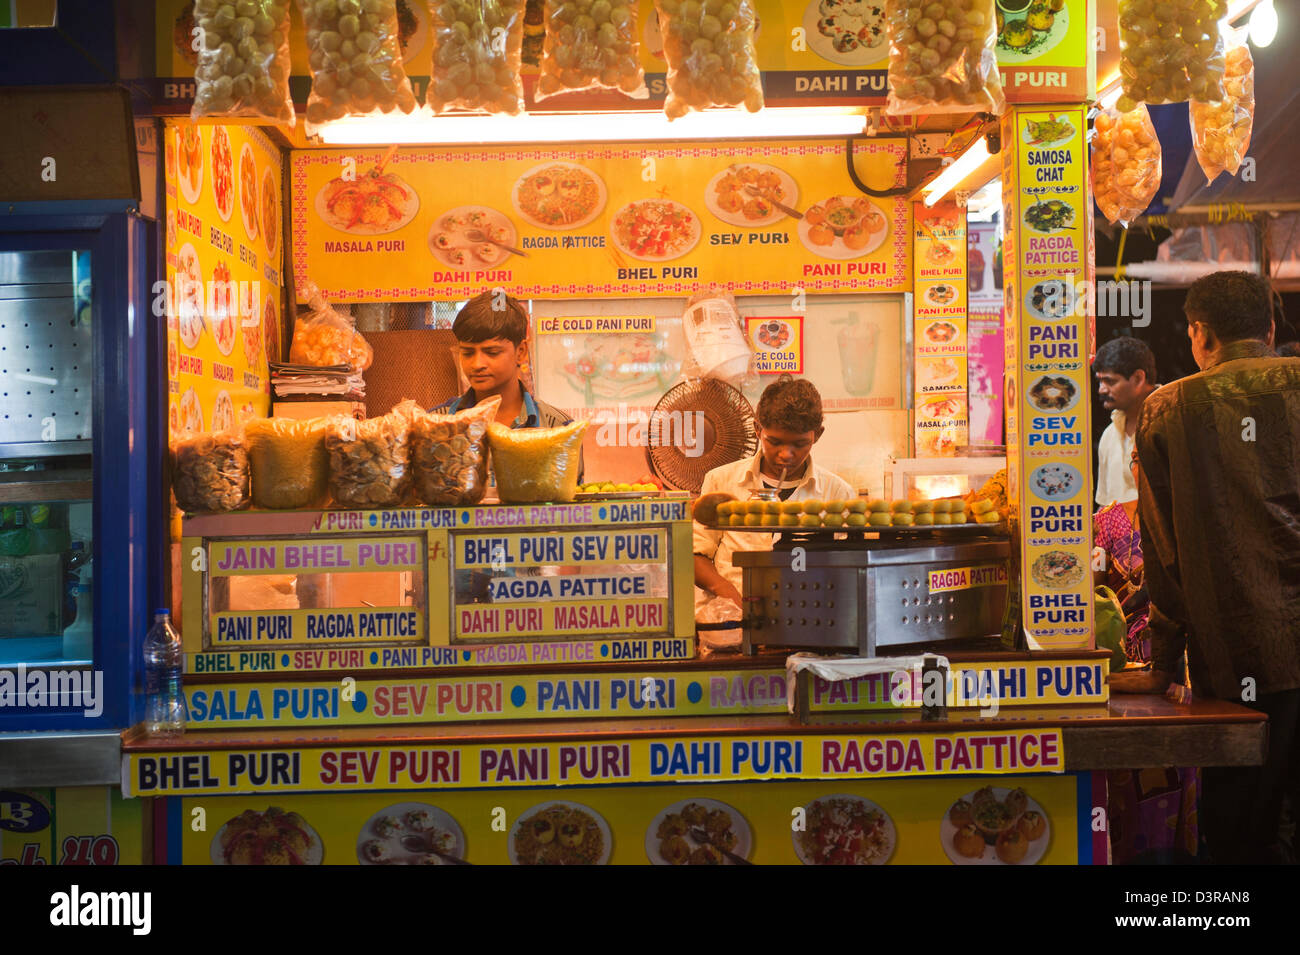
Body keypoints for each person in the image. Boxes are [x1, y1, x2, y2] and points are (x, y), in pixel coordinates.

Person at [1111, 270, 1300, 865]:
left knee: (1243, 826)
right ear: (1269, 329)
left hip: (1236, 657)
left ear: (1198, 333)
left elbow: (1163, 556)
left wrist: (1162, 665)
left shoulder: (1169, 408)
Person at [693, 376, 853, 609]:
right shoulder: (721, 480)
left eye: (799, 444)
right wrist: (728, 594)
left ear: (817, 435)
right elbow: (696, 555)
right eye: (775, 442)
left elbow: (846, 569)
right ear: (758, 429)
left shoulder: (837, 493)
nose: (786, 454)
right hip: (731, 624)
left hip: (809, 620)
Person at [1093, 336, 1158, 507]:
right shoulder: (1110, 435)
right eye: (1100, 381)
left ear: (1138, 378)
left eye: (1110, 381)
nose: (1101, 390)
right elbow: (1104, 506)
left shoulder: (1169, 424)